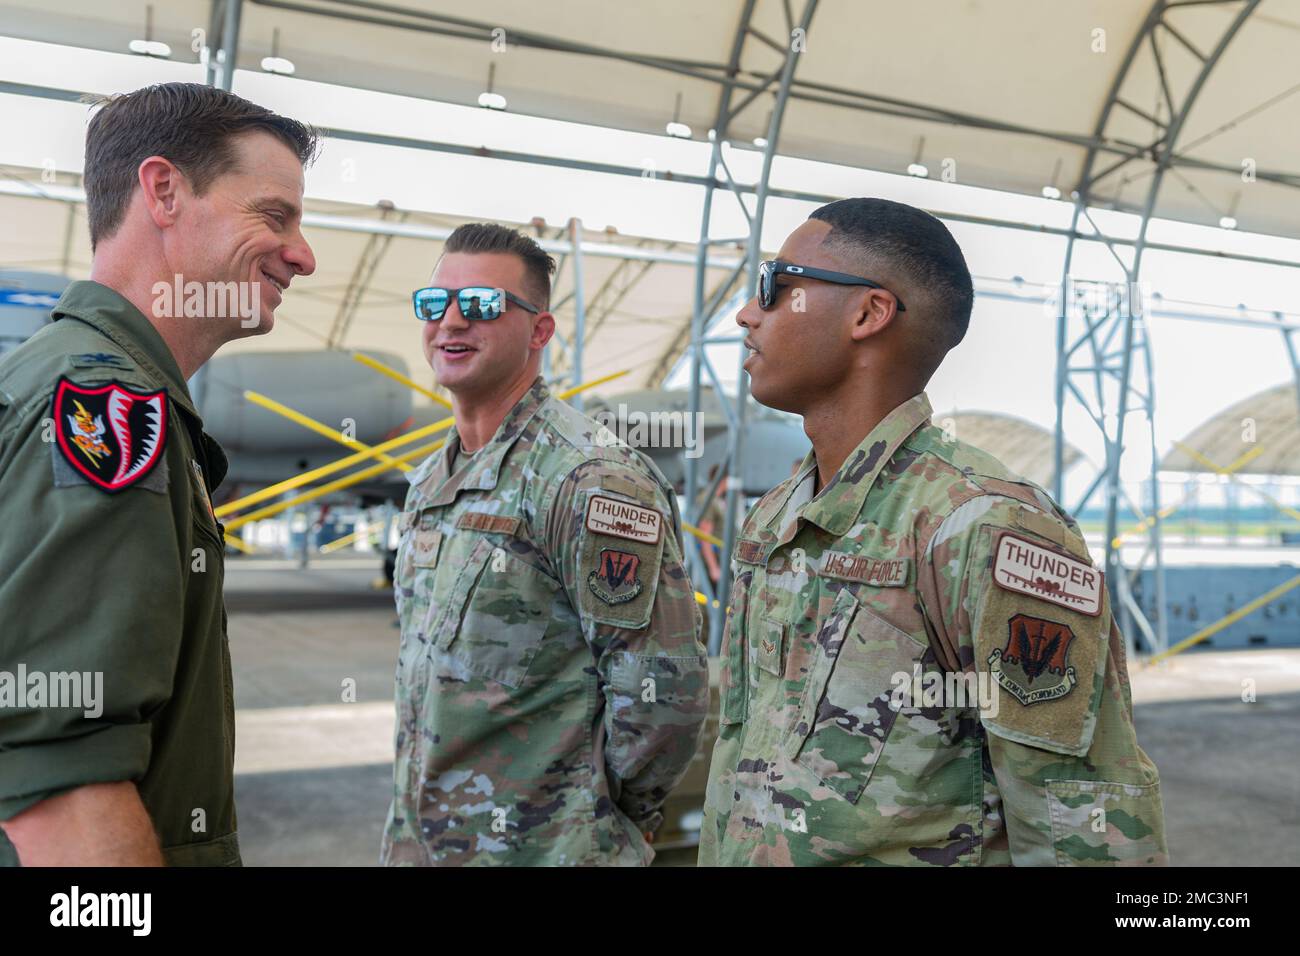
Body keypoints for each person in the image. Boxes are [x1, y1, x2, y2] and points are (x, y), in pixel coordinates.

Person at [698, 198, 1167, 866]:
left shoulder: (988, 526)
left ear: (867, 313)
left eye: (778, 287)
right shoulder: (777, 515)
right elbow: (738, 757)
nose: (748, 312)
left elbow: (1082, 821)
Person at [0, 83, 317, 865]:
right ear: (164, 191)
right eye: (274, 216)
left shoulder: (64, 380)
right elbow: (63, 792)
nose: (304, 255)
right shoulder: (106, 406)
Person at [381, 223, 707, 866]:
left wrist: (605, 822)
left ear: (540, 331)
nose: (450, 322)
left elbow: (662, 697)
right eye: (434, 303)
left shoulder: (590, 479)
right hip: (426, 846)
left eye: (480, 305)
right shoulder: (430, 482)